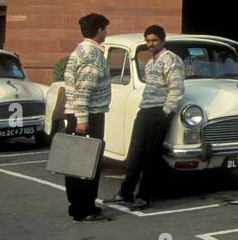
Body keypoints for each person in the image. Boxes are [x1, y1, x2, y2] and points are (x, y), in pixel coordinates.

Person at [108, 25, 184, 211]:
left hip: (159, 112)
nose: (151, 44)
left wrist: (166, 112)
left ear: (162, 41)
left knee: (150, 157)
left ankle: (143, 197)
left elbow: (176, 89)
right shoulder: (150, 63)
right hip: (145, 111)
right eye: (148, 41)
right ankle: (125, 193)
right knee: (135, 154)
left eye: (154, 40)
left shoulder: (171, 60)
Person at [62, 12, 111, 222]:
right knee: (87, 164)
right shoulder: (92, 54)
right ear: (99, 30)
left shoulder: (81, 49)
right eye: (105, 28)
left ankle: (81, 206)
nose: (107, 32)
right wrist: (82, 120)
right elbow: (83, 90)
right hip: (87, 116)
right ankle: (84, 209)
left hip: (79, 114)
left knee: (77, 163)